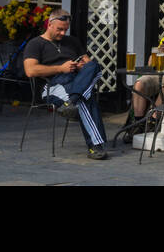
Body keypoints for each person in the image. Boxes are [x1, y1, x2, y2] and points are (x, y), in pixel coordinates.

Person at [22, 9, 109, 160]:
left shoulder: (72, 42)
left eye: (65, 29)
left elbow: (89, 64)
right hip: (52, 86)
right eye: (59, 29)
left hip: (75, 82)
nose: (63, 33)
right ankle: (95, 146)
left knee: (94, 67)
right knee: (85, 98)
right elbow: (30, 71)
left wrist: (81, 67)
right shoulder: (35, 44)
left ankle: (72, 101)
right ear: (50, 25)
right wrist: (60, 68)